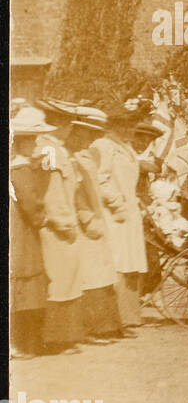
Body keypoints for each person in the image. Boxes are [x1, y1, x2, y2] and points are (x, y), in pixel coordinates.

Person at [68, 107, 126, 340]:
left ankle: (107, 325)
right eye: (86, 133)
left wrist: (110, 205)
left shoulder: (86, 156)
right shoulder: (72, 159)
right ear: (76, 131)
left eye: (93, 134)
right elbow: (78, 194)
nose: (90, 138)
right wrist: (87, 218)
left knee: (102, 273)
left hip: (96, 217)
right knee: (90, 276)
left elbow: (95, 186)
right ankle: (93, 328)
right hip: (85, 224)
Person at [36, 100, 88, 352]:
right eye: (67, 123)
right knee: (58, 282)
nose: (70, 128)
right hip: (56, 227)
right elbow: (51, 192)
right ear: (57, 124)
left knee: (68, 280)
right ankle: (55, 339)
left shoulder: (57, 149)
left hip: (64, 222)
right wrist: (64, 223)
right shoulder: (48, 150)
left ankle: (64, 337)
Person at [93, 104, 149, 331]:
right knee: (118, 261)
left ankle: (129, 316)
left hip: (129, 213)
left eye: (131, 125)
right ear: (113, 125)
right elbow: (101, 180)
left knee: (130, 262)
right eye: (125, 125)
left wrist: (135, 201)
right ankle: (114, 318)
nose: (129, 130)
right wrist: (117, 203)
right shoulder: (103, 146)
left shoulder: (126, 148)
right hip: (114, 215)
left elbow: (129, 181)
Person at [10, 105, 54, 357]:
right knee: (24, 284)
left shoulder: (17, 166)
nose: (35, 146)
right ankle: (21, 344)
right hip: (22, 233)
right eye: (33, 141)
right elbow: (31, 204)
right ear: (23, 142)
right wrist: (42, 217)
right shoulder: (21, 169)